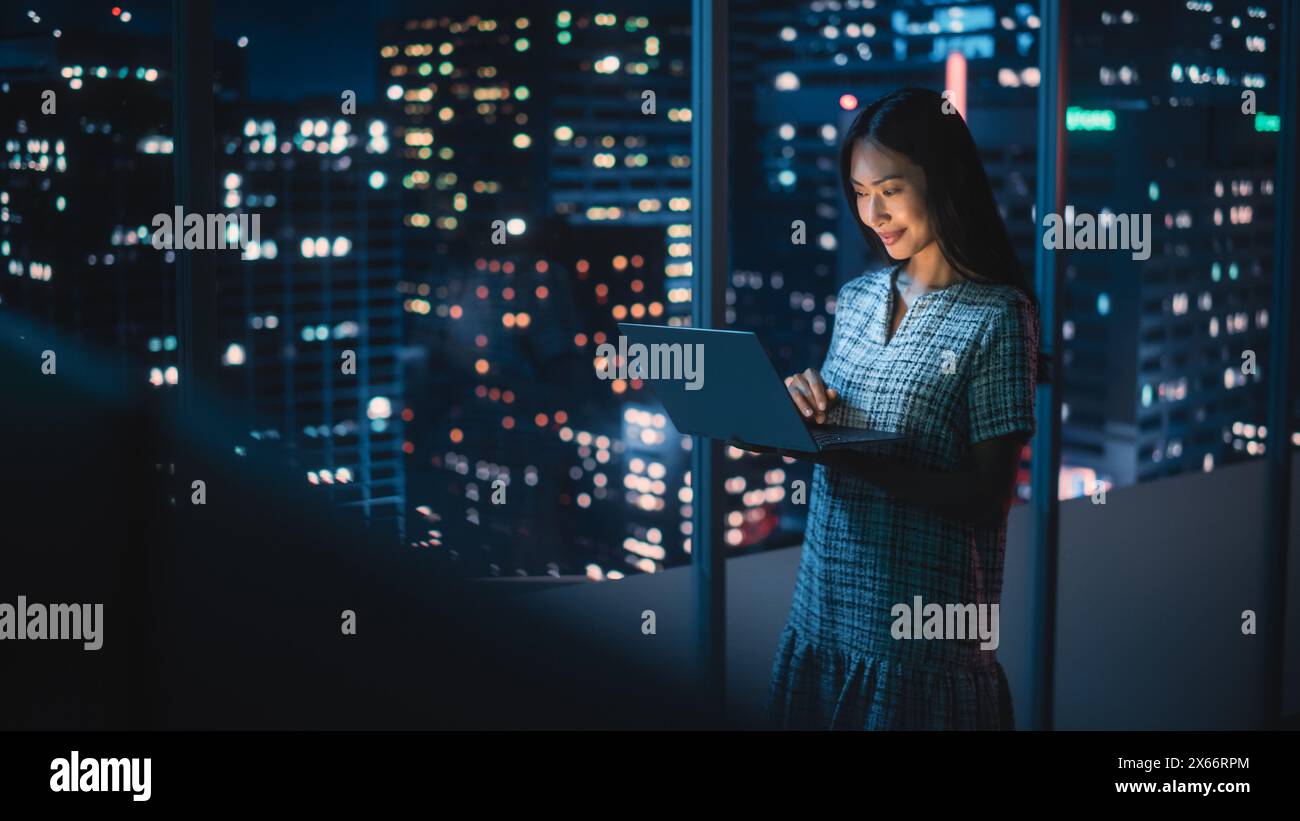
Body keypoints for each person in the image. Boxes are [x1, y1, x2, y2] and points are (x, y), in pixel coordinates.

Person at [766, 87, 1048, 730]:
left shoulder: (1001, 315)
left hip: (917, 640)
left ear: (942, 180)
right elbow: (846, 425)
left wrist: (851, 459)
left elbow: (986, 496)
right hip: (823, 610)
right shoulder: (859, 297)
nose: (873, 213)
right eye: (861, 194)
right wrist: (805, 411)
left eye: (890, 189)